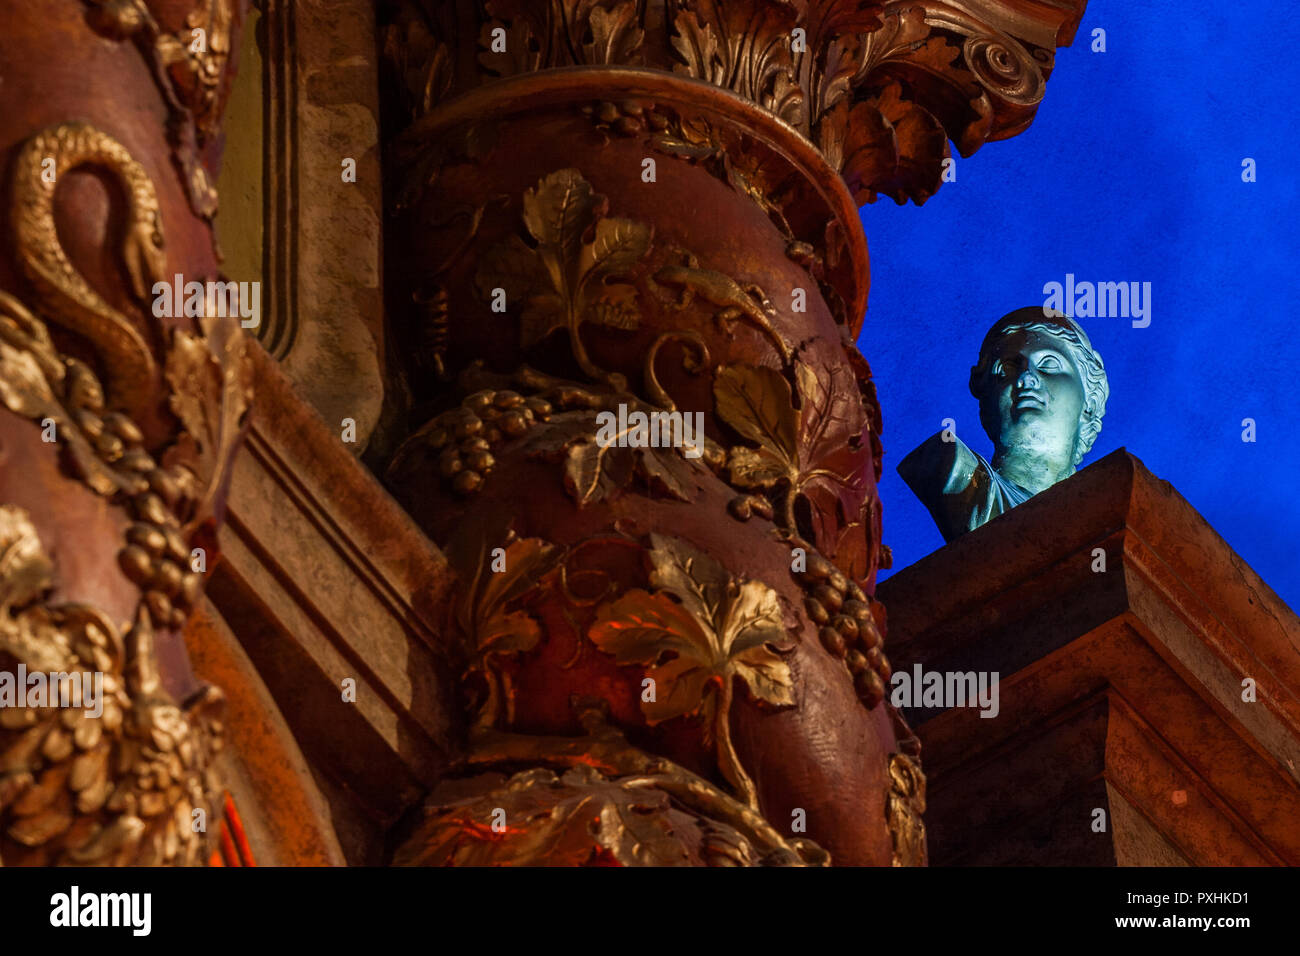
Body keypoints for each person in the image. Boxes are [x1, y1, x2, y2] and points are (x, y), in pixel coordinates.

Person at [897, 307, 1109, 543]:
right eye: (1007, 368)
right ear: (986, 397)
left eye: (1049, 364)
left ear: (1090, 400)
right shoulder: (953, 470)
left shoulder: (1106, 513)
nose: (1026, 377)